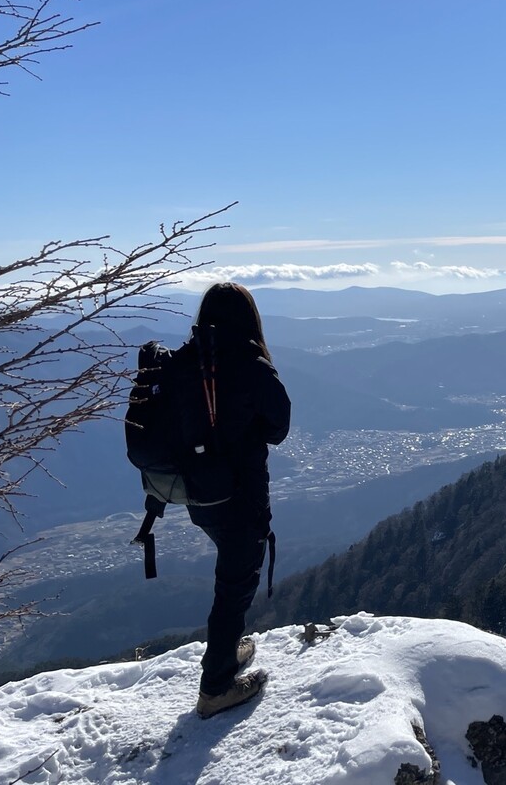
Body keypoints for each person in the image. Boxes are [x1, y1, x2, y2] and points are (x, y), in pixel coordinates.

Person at [170, 282, 291, 718]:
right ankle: (216, 688)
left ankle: (226, 650)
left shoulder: (182, 362)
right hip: (242, 494)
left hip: (198, 494)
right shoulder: (251, 365)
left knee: (231, 576)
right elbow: (278, 428)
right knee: (235, 587)